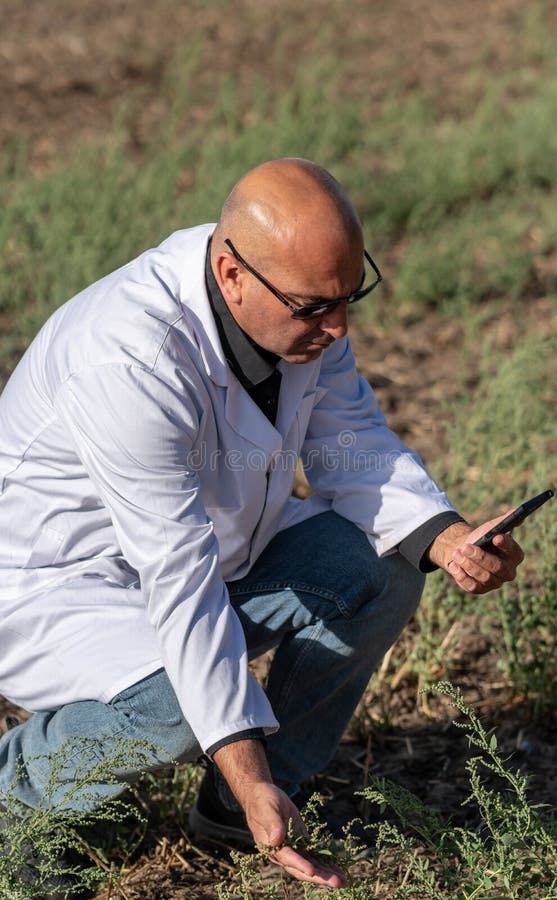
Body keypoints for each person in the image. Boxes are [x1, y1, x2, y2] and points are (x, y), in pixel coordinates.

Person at [0, 158, 523, 889]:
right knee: (183, 708)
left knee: (386, 564)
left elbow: (352, 440)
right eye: (315, 307)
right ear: (232, 273)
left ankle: (240, 811)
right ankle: (19, 795)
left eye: (349, 298)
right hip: (65, 591)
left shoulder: (293, 298)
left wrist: (447, 538)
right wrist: (245, 768)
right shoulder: (129, 359)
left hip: (208, 560)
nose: (338, 327)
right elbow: (177, 582)